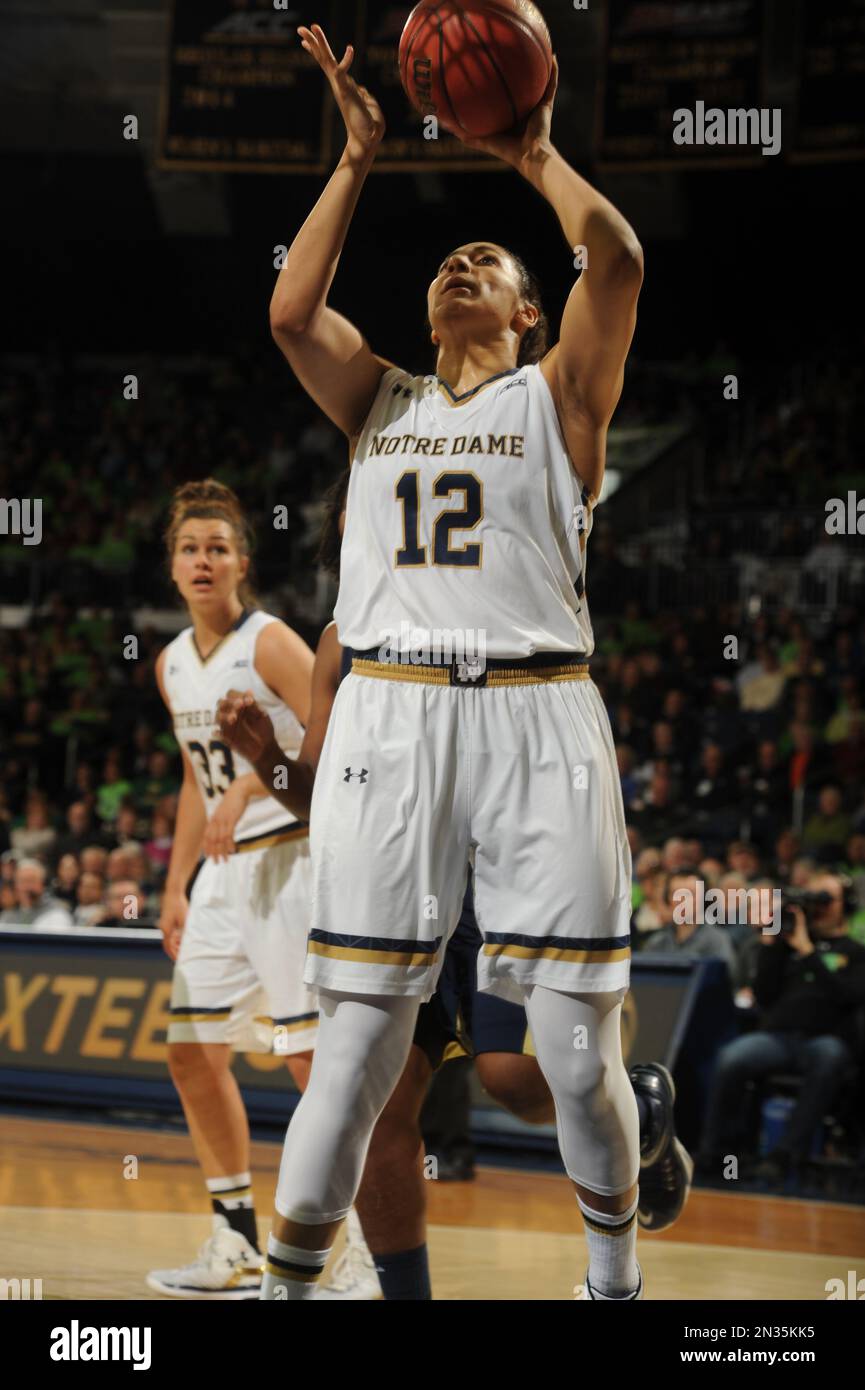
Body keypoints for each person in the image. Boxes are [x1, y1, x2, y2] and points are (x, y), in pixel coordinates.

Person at [254, 22, 652, 1302]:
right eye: (447, 262)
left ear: (530, 310)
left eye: (486, 262)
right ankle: (286, 1289)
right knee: (358, 1048)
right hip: (390, 718)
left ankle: (613, 1282)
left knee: (575, 1058)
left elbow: (621, 255)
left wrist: (532, 154)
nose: (460, 267)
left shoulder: (561, 395)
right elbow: (288, 311)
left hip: (540, 714)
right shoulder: (379, 397)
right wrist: (357, 156)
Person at [217, 476, 692, 1296]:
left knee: (515, 1081)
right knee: (382, 1109)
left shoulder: (506, 616)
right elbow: (321, 794)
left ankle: (631, 1107)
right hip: (394, 889)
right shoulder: (342, 640)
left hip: (492, 889)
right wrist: (266, 759)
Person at [144, 479, 323, 1299]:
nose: (203, 559)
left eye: (218, 547)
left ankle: (338, 1242)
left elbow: (333, 741)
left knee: (310, 1065)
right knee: (189, 1055)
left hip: (291, 860)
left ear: (241, 562)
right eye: (190, 548)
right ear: (174, 568)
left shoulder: (272, 641)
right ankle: (235, 1243)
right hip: (219, 882)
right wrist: (175, 883)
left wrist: (257, 784)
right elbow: (192, 780)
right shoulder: (171, 663)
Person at [697, 872, 865, 1183]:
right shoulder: (785, 946)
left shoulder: (854, 952)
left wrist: (808, 952)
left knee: (828, 1059)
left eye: (826, 899)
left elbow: (848, 996)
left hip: (826, 1040)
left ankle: (783, 1154)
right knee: (732, 1058)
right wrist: (771, 941)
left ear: (847, 905)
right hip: (777, 1038)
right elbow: (763, 994)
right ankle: (718, 1153)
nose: (819, 906)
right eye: (813, 898)